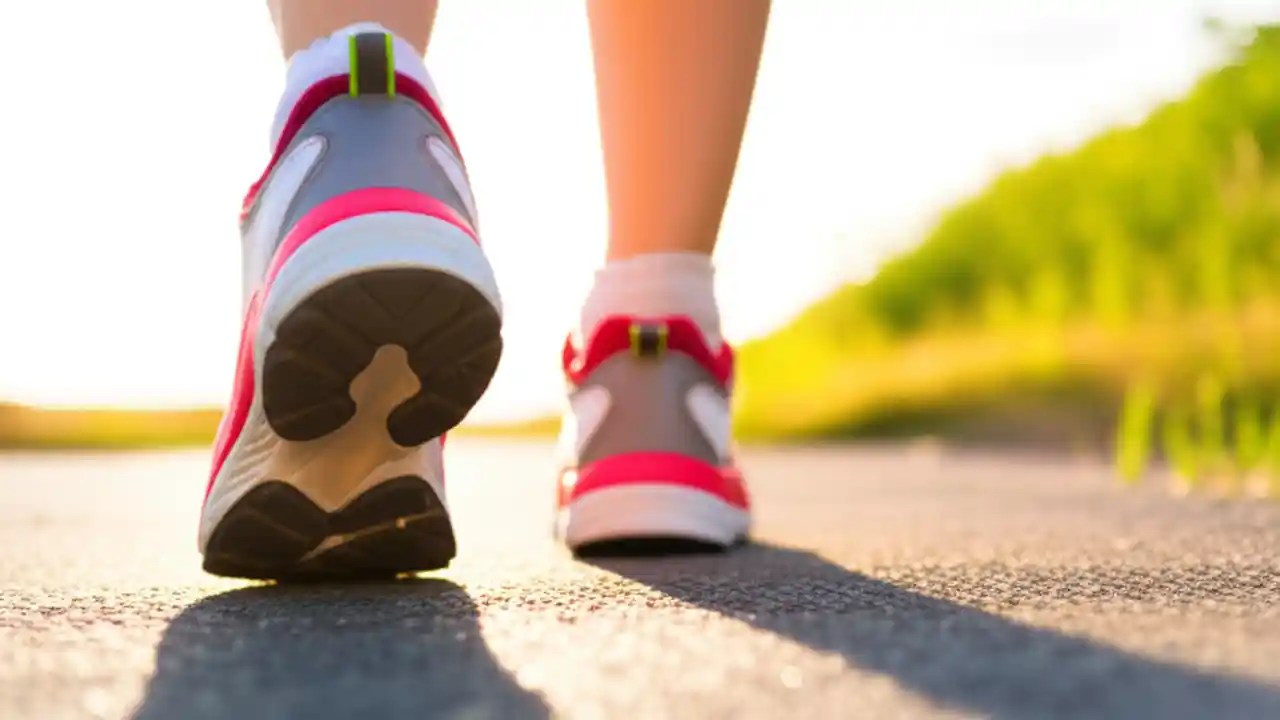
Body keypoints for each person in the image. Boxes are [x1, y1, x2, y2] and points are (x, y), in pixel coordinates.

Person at [198, 0, 770, 579]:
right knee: (659, 286)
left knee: (346, 57)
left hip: (334, 183)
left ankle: (340, 150)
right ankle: (663, 330)